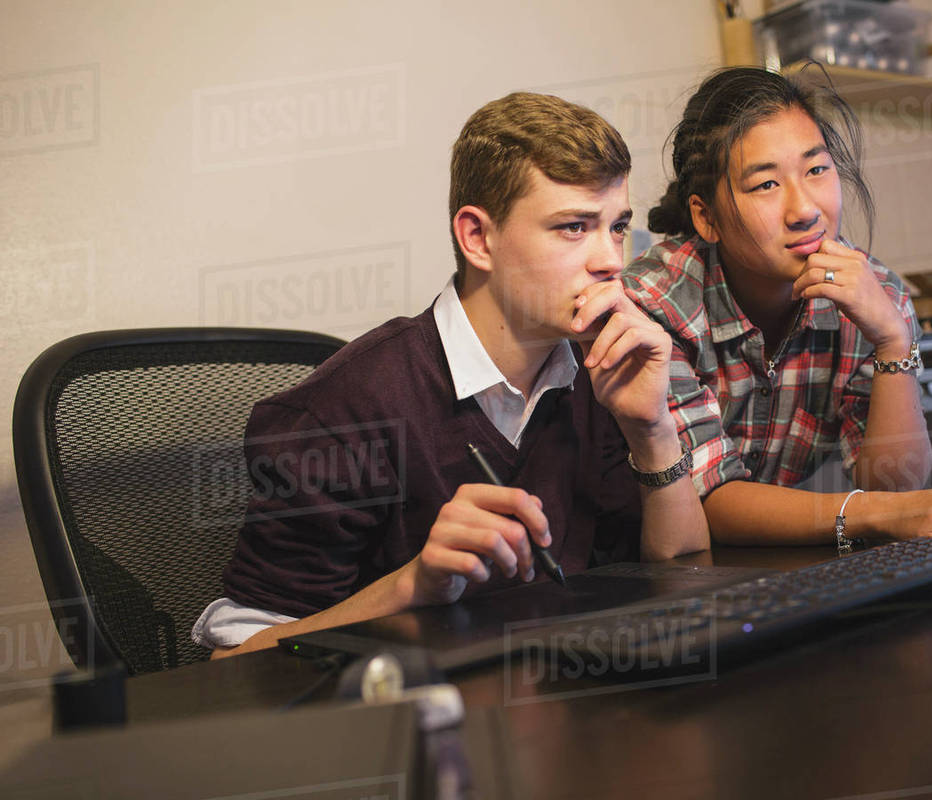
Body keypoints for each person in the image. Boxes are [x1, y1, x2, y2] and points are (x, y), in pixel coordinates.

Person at [195, 92, 709, 658]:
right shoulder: (344, 408)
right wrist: (413, 586)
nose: (611, 259)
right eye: (573, 227)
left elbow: (684, 582)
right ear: (477, 238)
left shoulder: (602, 369)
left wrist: (652, 429)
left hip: (565, 692)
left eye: (617, 228)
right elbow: (234, 661)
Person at [623, 66, 932, 545]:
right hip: (639, 568)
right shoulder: (655, 303)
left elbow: (896, 489)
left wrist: (893, 341)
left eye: (816, 170)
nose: (805, 210)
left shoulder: (876, 295)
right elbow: (707, 502)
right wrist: (876, 513)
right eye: (766, 184)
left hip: (763, 569)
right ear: (707, 217)